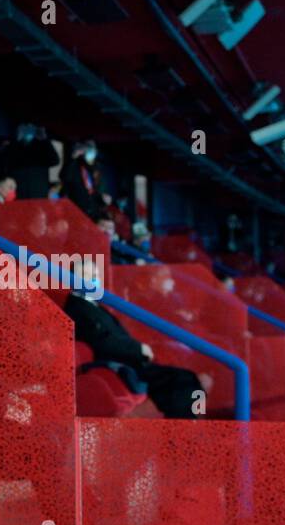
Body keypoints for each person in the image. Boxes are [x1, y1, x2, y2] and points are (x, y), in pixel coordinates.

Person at [63, 258, 204, 419]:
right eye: (88, 275)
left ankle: (189, 425)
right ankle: (184, 431)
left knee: (188, 381)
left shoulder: (95, 304)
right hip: (120, 363)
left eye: (96, 275)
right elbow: (103, 342)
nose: (95, 279)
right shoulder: (76, 307)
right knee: (183, 381)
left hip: (131, 359)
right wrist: (138, 349)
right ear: (73, 278)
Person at [0, 123, 59, 199]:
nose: (28, 130)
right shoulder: (14, 146)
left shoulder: (42, 145)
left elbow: (55, 160)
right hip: (19, 192)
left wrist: (44, 139)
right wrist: (16, 139)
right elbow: (4, 163)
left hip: (39, 192)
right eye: (25, 127)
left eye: (32, 127)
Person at [61, 139, 105, 218]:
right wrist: (73, 157)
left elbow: (95, 193)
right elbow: (64, 176)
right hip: (77, 212)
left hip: (93, 214)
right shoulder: (75, 166)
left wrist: (103, 199)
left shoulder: (95, 169)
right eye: (88, 148)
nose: (91, 151)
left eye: (92, 148)